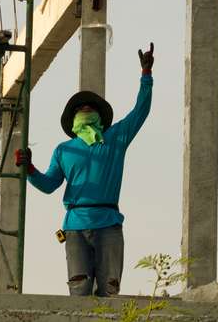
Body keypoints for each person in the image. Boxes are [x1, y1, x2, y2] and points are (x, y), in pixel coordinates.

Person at [25, 42, 155, 297]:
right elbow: (48, 185)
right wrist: (29, 168)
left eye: (90, 107)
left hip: (108, 222)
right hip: (75, 226)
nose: (85, 109)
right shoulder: (65, 150)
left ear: (100, 116)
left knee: (109, 288)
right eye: (80, 108)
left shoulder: (115, 138)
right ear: (73, 118)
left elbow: (140, 111)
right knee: (79, 289)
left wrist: (146, 75)